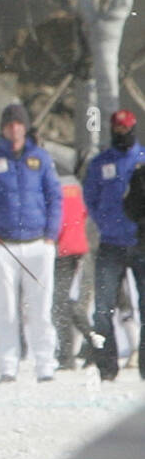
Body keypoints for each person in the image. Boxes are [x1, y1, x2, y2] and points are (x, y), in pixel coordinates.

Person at [0, 102, 62, 382]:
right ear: (3, 128)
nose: (14, 128)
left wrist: (50, 237)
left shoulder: (41, 158)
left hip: (38, 244)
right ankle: (7, 367)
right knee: (6, 310)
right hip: (3, 246)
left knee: (41, 308)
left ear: (25, 127)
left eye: (18, 123)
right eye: (9, 124)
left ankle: (45, 365)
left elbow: (55, 197)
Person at [82, 108, 145, 381]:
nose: (122, 133)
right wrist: (106, 224)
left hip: (142, 243)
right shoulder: (100, 163)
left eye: (126, 128)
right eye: (117, 129)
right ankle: (107, 368)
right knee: (103, 309)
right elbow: (91, 198)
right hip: (110, 244)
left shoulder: (143, 158)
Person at [53, 171, 91, 370]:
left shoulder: (53, 188)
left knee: (60, 304)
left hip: (61, 250)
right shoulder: (76, 188)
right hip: (78, 247)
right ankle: (91, 342)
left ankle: (69, 354)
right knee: (67, 302)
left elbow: (56, 220)